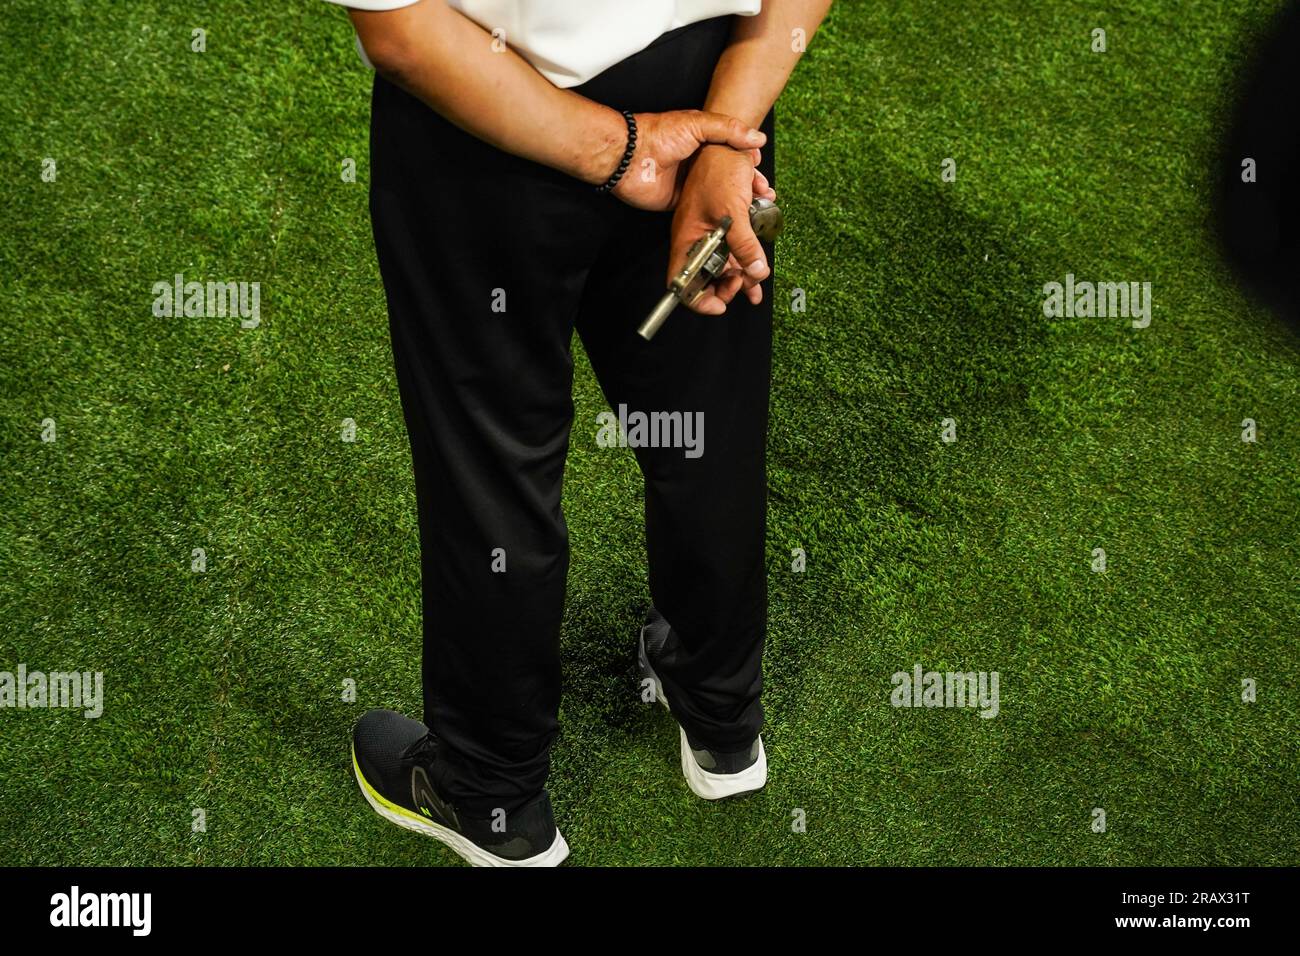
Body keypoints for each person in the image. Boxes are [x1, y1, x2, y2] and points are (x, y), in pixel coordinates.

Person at [329, 0, 831, 866]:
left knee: (493, 463)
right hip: (714, 86)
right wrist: (722, 136)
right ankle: (720, 718)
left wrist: (624, 148)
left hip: (488, 115)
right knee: (704, 426)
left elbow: (405, 31)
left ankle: (493, 796)